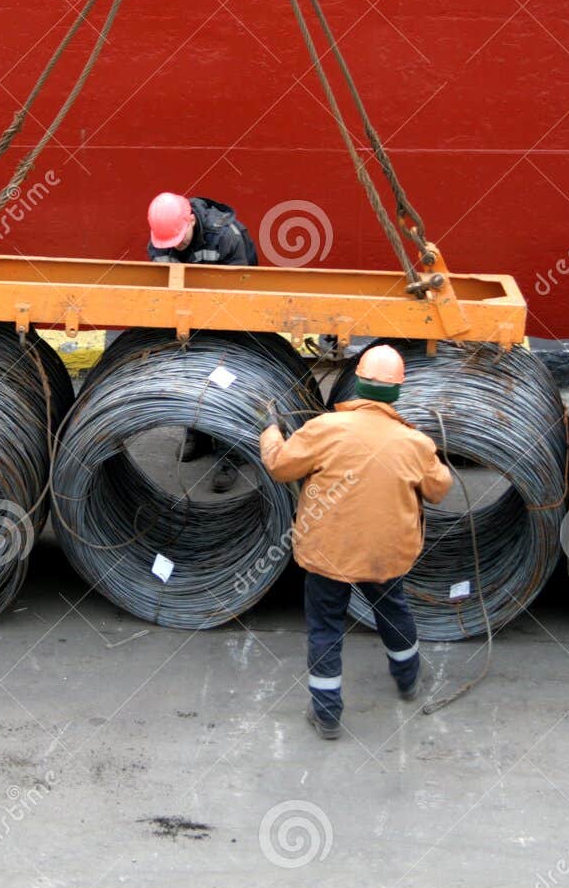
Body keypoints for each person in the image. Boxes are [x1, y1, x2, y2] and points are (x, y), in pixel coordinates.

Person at [258, 344, 453, 740]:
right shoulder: (413, 443)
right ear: (396, 392)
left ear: (358, 383)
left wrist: (271, 432)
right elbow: (439, 490)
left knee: (326, 627)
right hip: (385, 553)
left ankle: (327, 714)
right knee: (393, 611)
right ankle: (407, 680)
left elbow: (279, 467)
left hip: (328, 551)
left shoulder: (324, 429)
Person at [146, 192, 257, 492]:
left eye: (180, 239)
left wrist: (216, 338)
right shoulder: (162, 240)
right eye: (169, 243)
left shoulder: (227, 237)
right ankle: (197, 433)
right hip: (189, 319)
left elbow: (239, 295)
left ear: (192, 220)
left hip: (229, 320)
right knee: (191, 375)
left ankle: (232, 453)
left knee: (227, 381)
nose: (176, 246)